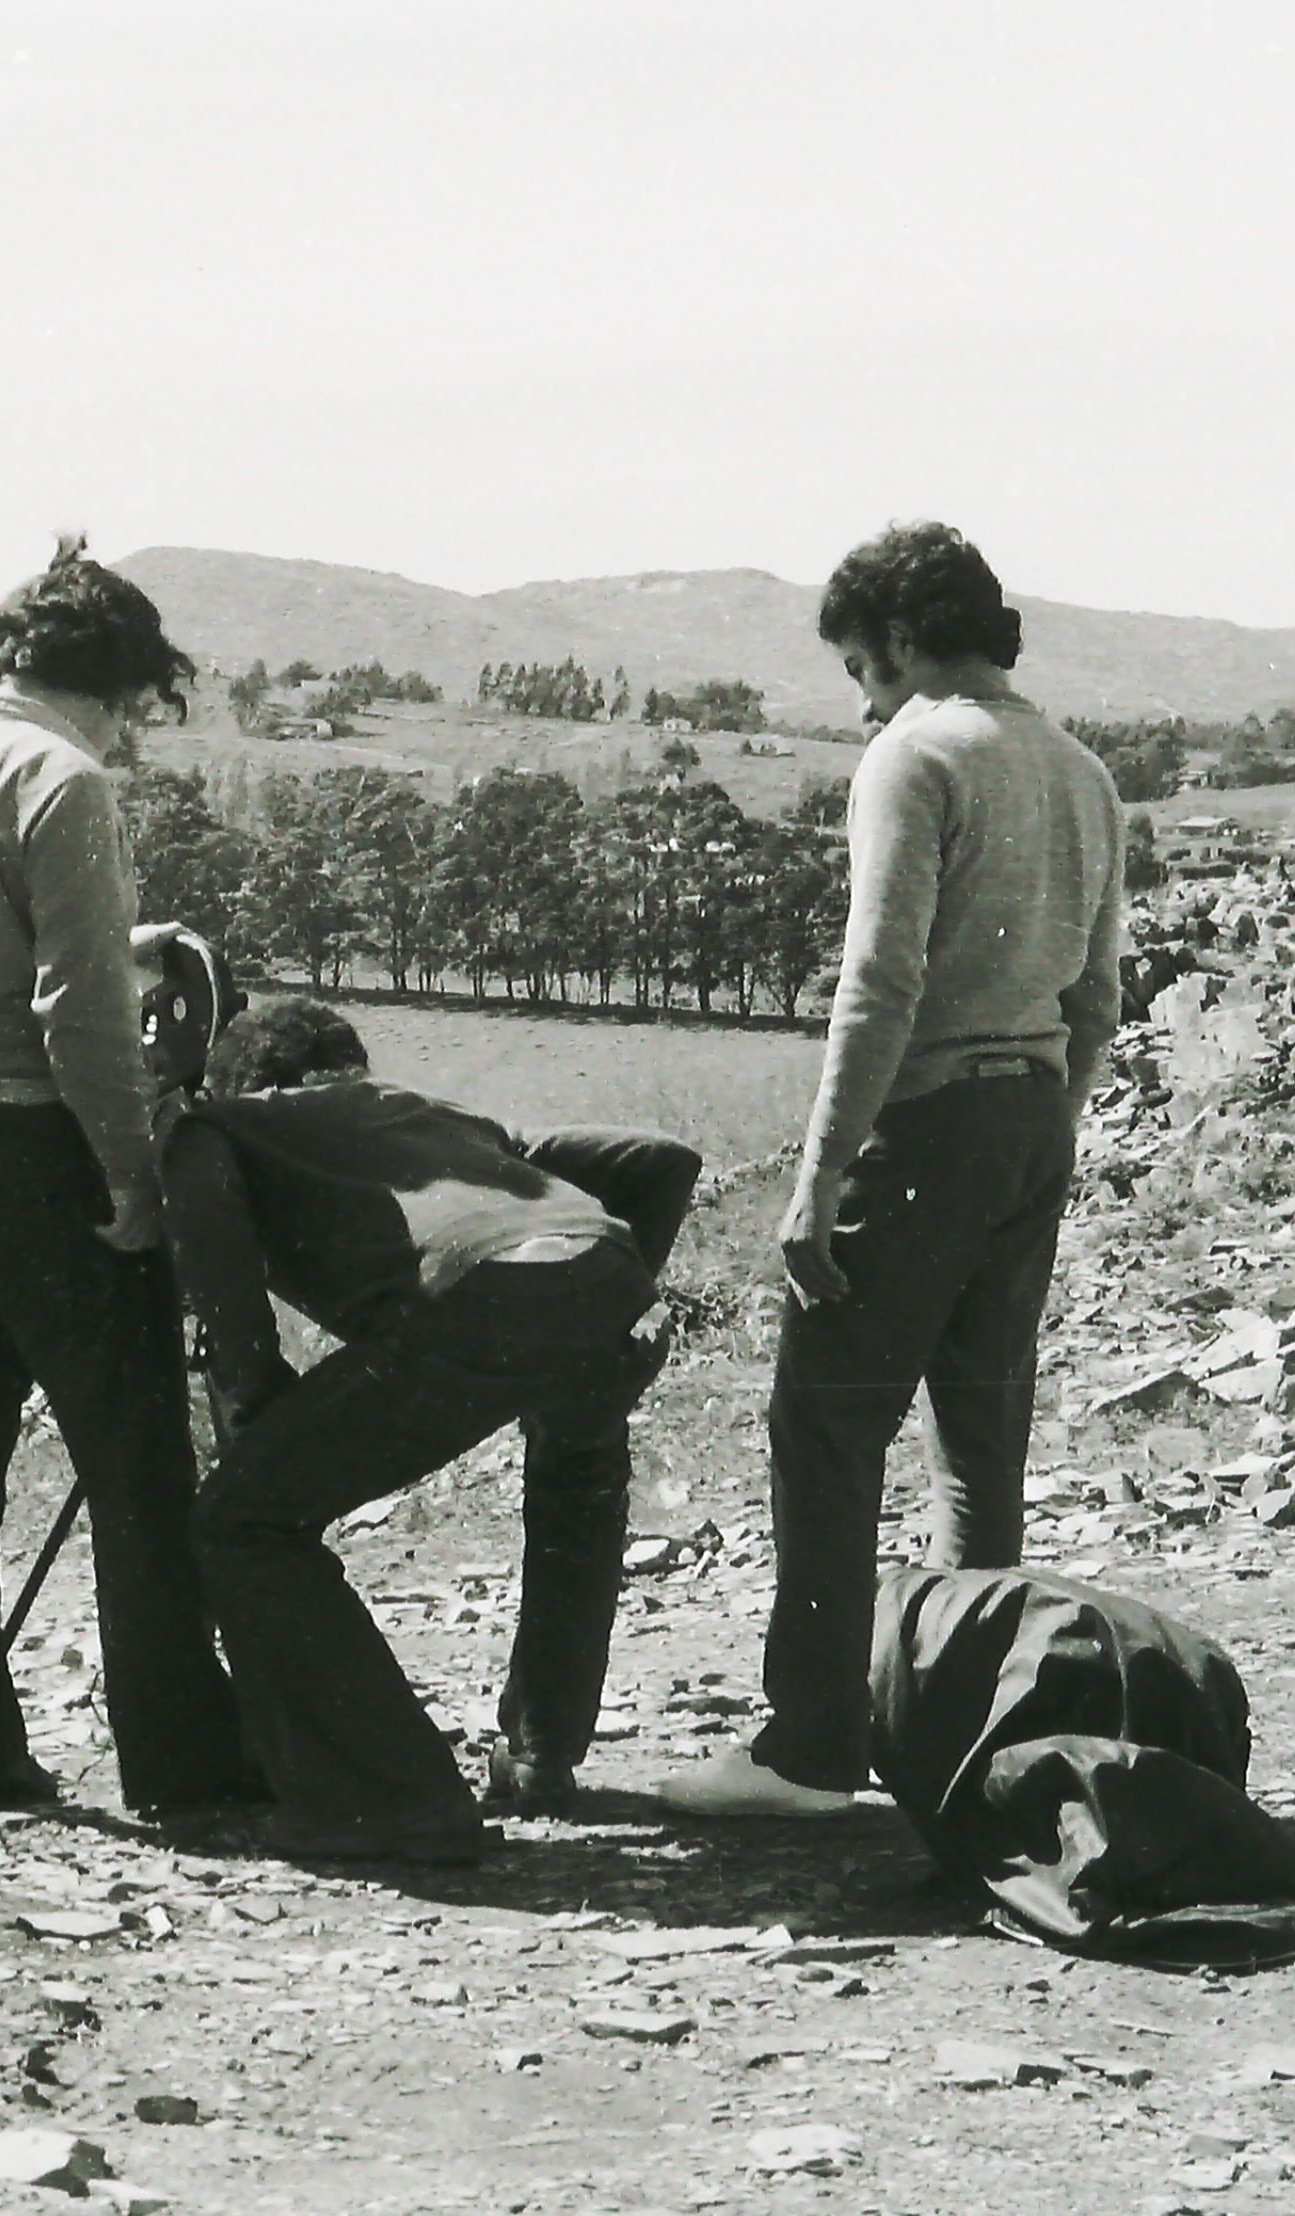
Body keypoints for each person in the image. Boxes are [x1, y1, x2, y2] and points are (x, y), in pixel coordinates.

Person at [656, 521, 1126, 1819]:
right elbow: (1096, 999)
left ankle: (810, 1750)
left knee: (827, 1429)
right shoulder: (1081, 771)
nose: (863, 695)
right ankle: (965, 1733)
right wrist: (1044, 1129)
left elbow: (879, 983)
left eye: (864, 666)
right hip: (1032, 1115)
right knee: (978, 1449)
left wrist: (819, 1181)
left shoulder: (914, 752)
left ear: (908, 642)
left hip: (923, 1128)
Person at [0, 537, 261, 1816]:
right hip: (36, 1153)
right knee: (138, 1461)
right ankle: (184, 1766)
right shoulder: (62, 778)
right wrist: (132, 1180)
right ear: (117, 680)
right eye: (139, 701)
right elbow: (82, 1013)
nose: (136, 729)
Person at [164, 996, 699, 1863]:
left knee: (242, 1523)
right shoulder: (439, 1116)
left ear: (250, 1083)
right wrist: (592, 1305)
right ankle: (540, 1757)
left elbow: (212, 1240)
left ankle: (393, 1802)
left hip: (481, 1304)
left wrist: (255, 1389)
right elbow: (658, 1162)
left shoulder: (225, 1122)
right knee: (575, 1476)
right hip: (609, 1293)